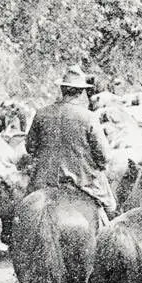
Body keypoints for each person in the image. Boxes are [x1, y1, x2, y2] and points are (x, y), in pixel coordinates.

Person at [25, 65, 116, 225]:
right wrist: (100, 165)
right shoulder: (89, 117)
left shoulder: (41, 114)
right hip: (82, 182)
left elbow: (30, 147)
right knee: (110, 208)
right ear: (81, 92)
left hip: (42, 181)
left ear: (62, 89)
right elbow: (104, 156)